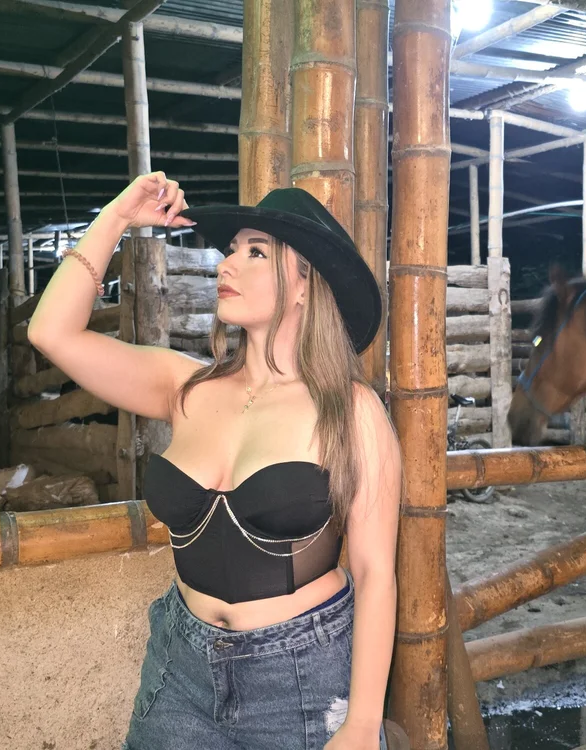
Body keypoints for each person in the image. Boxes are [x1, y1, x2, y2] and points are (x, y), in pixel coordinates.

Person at [27, 172, 401, 750]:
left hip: (301, 677)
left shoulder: (351, 411)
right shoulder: (186, 388)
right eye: (231, 250)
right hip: (181, 668)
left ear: (306, 286)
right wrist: (118, 216)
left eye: (256, 253)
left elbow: (376, 572)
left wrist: (361, 723)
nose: (227, 264)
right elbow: (51, 332)